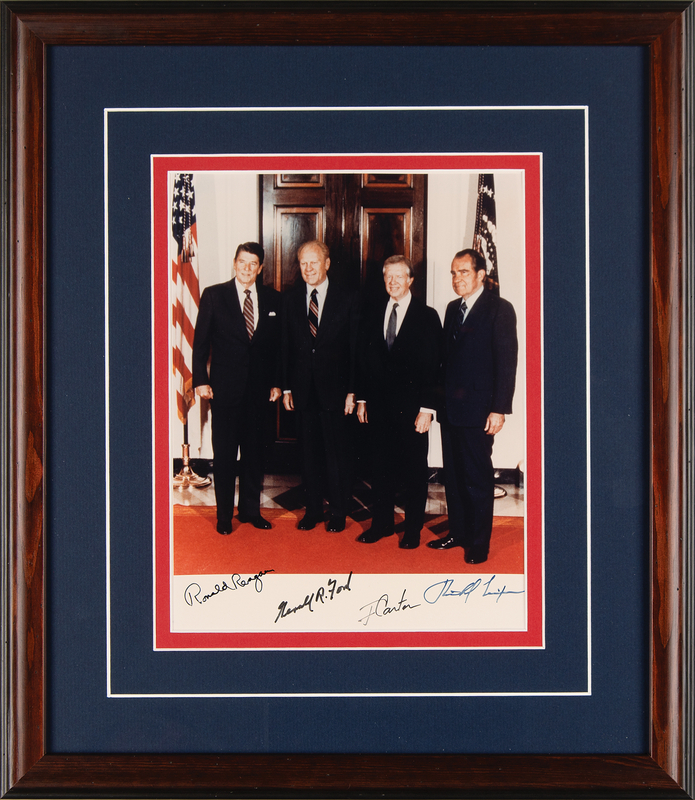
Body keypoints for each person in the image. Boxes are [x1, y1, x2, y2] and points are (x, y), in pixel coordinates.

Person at [432, 248, 518, 564]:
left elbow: (507, 363)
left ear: (481, 274)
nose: (457, 279)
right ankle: (458, 533)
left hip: (480, 410)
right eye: (454, 273)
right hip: (451, 410)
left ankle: (479, 544)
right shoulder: (453, 308)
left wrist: (500, 409)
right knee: (453, 476)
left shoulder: (500, 309)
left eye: (464, 272)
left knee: (477, 477)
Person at [192, 242, 282, 535]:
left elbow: (278, 349)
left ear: (260, 268)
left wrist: (277, 383)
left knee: (255, 454)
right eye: (242, 262)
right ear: (234, 263)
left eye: (253, 264)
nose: (247, 268)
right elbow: (200, 343)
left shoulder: (273, 299)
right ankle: (223, 516)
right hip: (224, 391)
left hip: (259, 393)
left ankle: (250, 511)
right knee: (226, 455)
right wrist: (200, 381)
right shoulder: (214, 296)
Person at [355, 256, 442, 549]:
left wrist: (428, 409)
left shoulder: (427, 316)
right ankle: (381, 525)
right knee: (379, 468)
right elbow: (364, 362)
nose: (392, 283)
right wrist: (363, 399)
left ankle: (413, 529)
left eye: (398, 277)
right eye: (387, 277)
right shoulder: (372, 313)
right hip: (379, 408)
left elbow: (435, 366)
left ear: (410, 280)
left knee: (414, 471)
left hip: (413, 410)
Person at [282, 240, 359, 533]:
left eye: (314, 262)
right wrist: (287, 388)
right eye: (303, 263)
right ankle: (313, 510)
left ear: (326, 264)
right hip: (302, 392)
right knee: (308, 455)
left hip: (336, 393)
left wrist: (353, 390)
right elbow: (284, 347)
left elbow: (354, 349)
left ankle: (338, 511)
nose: (308, 268)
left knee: (337, 455)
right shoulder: (289, 300)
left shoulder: (348, 298)